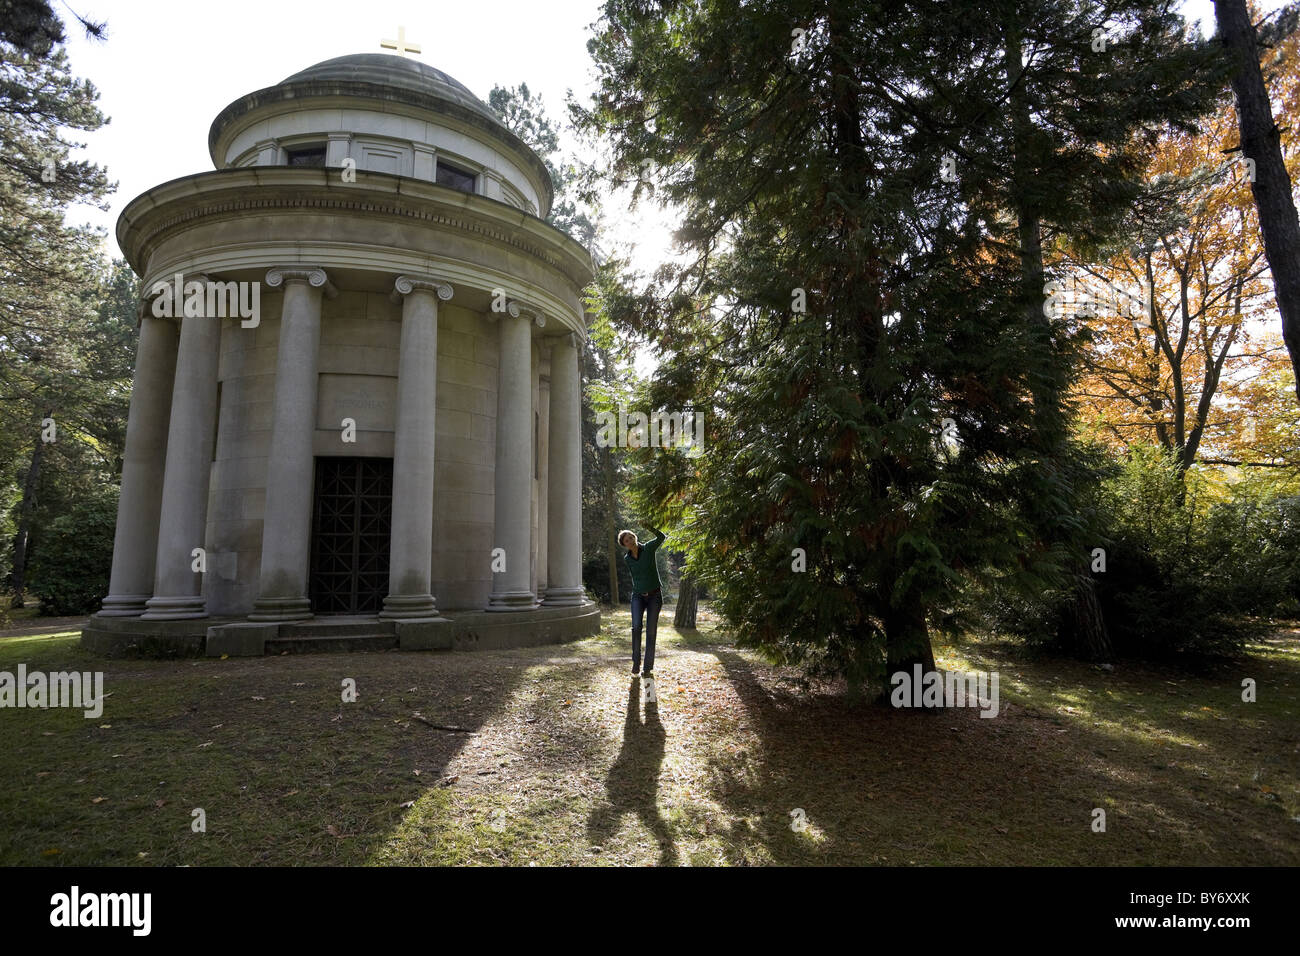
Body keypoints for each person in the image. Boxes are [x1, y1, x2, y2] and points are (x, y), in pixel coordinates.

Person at [618, 526, 665, 677]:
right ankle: (636, 663)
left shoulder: (649, 548)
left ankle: (647, 667)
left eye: (631, 537)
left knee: (651, 631)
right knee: (636, 627)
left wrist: (649, 527)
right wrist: (638, 589)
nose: (630, 541)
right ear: (624, 544)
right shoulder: (627, 559)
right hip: (638, 596)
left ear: (635, 537)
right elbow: (634, 576)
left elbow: (661, 537)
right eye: (627, 540)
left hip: (654, 596)